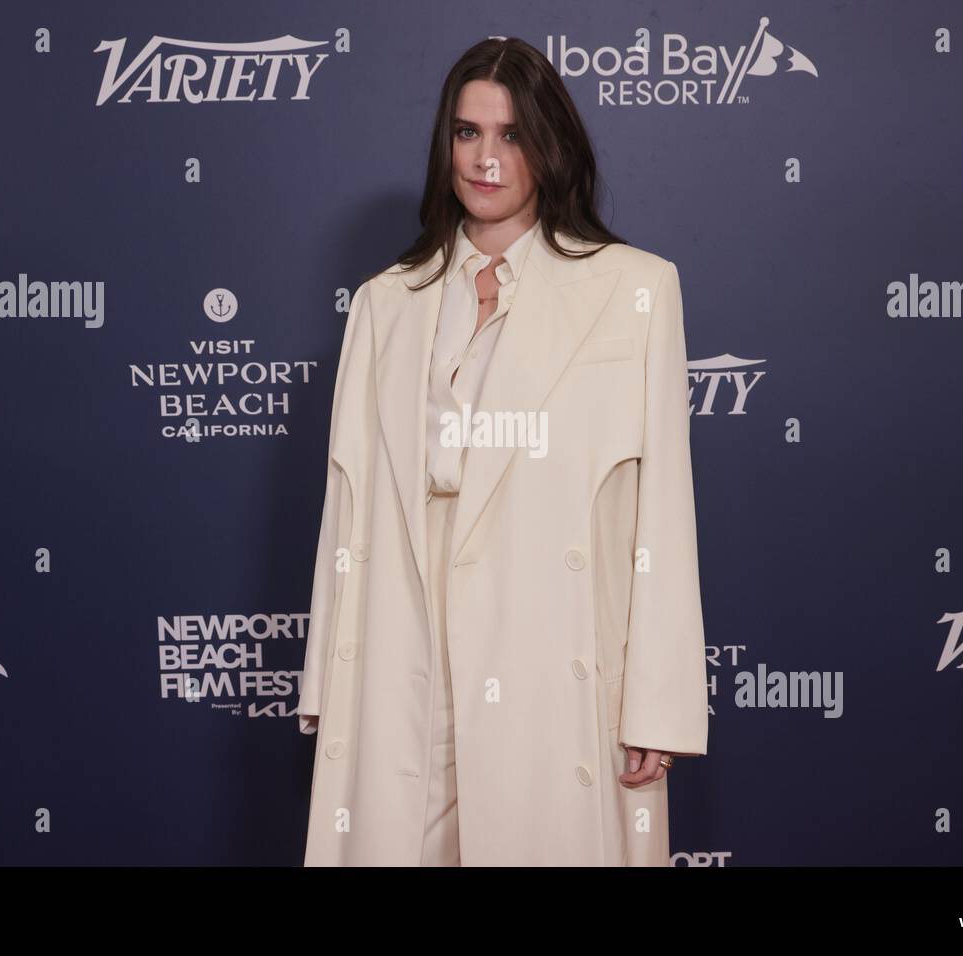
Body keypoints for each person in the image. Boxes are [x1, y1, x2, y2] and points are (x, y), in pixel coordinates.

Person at [297, 37, 708, 866]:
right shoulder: (386, 303)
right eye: (466, 133)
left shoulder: (634, 287)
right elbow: (350, 498)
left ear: (548, 147)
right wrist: (326, 680)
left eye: (510, 135)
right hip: (402, 633)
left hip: (547, 637)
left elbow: (663, 505)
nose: (485, 160)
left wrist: (657, 704)